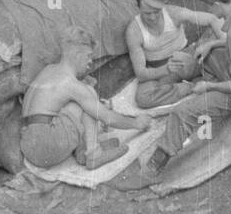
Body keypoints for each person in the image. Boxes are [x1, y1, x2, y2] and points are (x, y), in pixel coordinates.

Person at [113, 0, 231, 190]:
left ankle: (152, 171)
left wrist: (209, 87)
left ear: (217, 4)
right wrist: (212, 44)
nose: (212, 12)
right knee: (206, 56)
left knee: (182, 114)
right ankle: (205, 79)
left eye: (210, 6)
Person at [20, 27, 155, 171]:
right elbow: (108, 118)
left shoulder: (49, 70)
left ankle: (82, 150)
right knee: (88, 96)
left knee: (79, 98)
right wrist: (136, 123)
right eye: (89, 56)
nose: (90, 62)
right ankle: (94, 154)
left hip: (29, 144)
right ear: (78, 55)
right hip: (49, 144)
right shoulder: (70, 83)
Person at [125, 0, 227, 109]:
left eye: (156, 12)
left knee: (218, 43)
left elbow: (212, 19)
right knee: (143, 97)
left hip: (189, 57)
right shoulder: (133, 31)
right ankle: (193, 86)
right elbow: (141, 73)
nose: (152, 17)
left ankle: (207, 78)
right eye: (147, 13)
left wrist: (220, 40)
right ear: (138, 7)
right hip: (162, 70)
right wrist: (165, 69)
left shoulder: (172, 12)